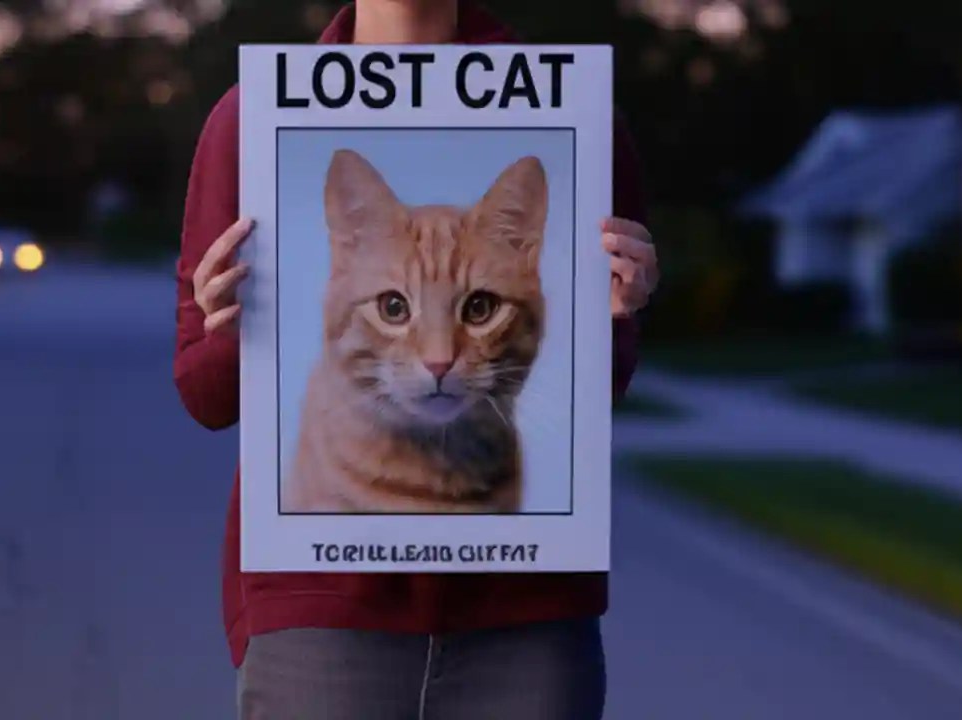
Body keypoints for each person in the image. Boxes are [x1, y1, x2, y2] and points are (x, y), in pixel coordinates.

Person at [174, 1, 660, 717]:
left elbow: (602, 386)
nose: (437, 356)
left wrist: (617, 312)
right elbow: (204, 396)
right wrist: (232, 327)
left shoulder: (573, 109)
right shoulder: (256, 114)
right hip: (325, 607)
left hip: (523, 607)